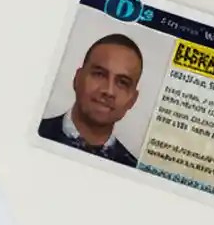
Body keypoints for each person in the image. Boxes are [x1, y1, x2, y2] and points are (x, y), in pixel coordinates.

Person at [39, 33, 143, 168]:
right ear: (77, 79)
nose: (108, 91)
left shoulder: (134, 169)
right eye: (99, 74)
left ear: (132, 100)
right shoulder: (33, 130)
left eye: (122, 82)